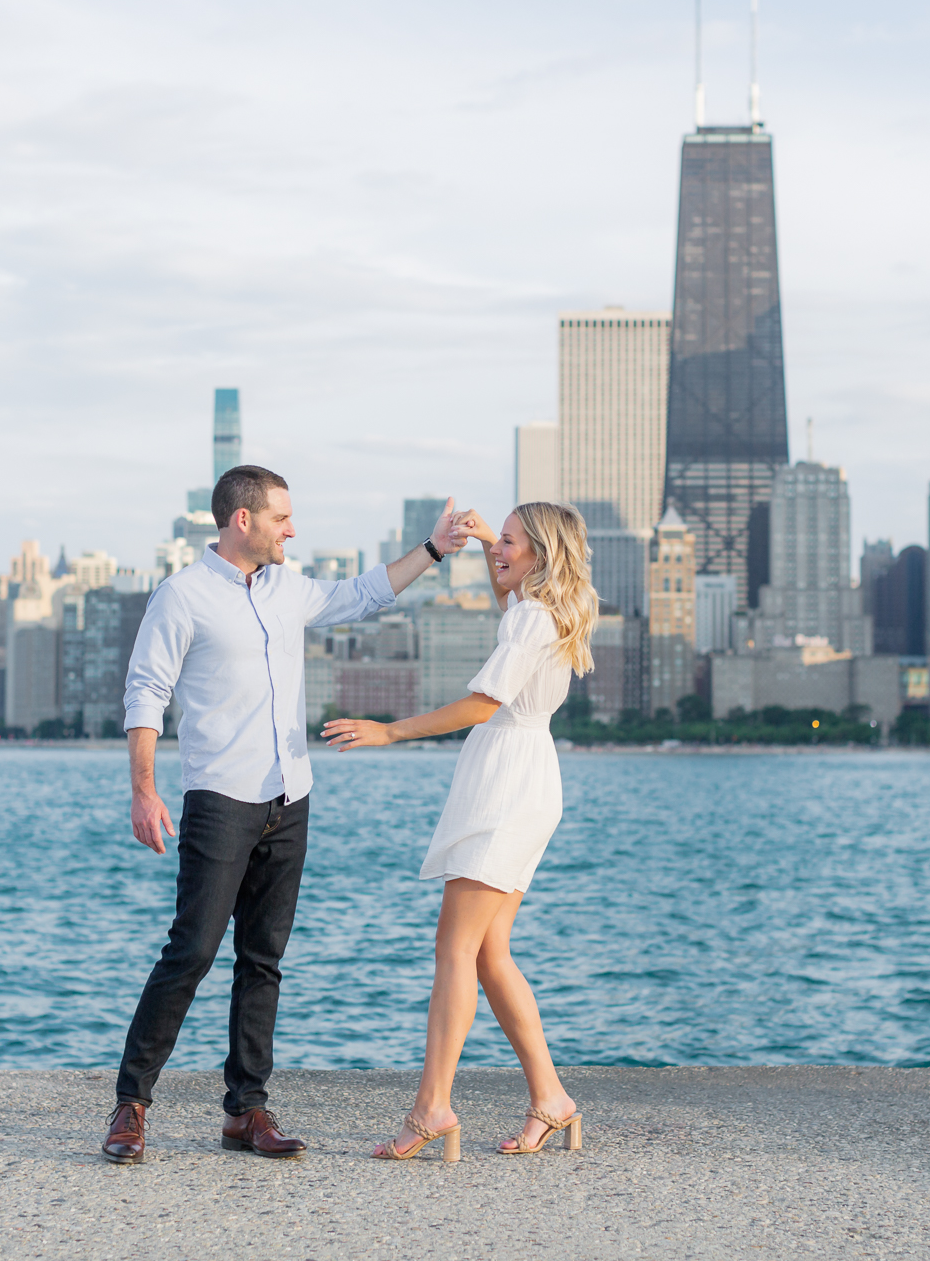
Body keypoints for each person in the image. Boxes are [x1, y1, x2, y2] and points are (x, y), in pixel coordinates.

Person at [101, 465, 470, 1165]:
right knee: (192, 953)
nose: (292, 530)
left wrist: (433, 549)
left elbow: (363, 594)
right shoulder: (180, 597)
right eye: (281, 518)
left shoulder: (287, 588)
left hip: (288, 798)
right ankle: (131, 1105)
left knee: (263, 961)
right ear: (243, 520)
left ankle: (247, 1111)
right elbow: (145, 693)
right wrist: (143, 791)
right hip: (218, 800)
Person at [320, 501, 598, 1162]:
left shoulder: (532, 617)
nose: (498, 549)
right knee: (489, 952)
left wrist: (390, 730)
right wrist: (483, 549)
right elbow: (510, 603)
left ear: (541, 554)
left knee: (455, 948)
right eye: (497, 539)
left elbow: (482, 702)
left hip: (504, 785)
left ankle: (432, 1108)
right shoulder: (540, 611)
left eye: (509, 541)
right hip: (528, 778)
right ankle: (552, 1100)